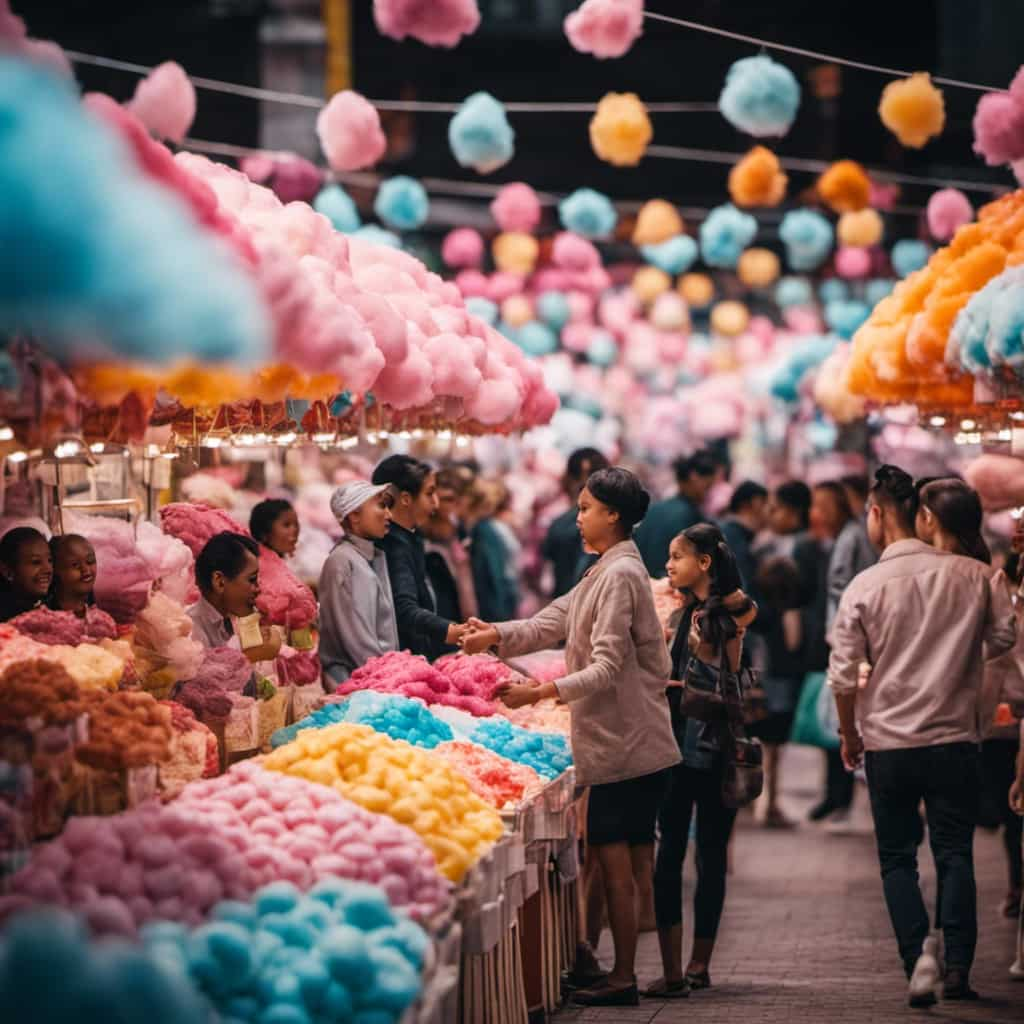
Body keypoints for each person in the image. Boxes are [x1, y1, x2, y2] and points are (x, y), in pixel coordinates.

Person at [461, 467, 681, 1007]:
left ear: (614, 515)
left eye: (586, 508)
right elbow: (549, 622)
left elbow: (606, 666)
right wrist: (495, 636)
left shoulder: (622, 575)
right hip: (620, 742)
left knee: (617, 867)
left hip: (627, 746)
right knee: (618, 866)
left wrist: (537, 694)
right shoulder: (603, 570)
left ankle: (623, 976)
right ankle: (612, 968)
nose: (577, 518)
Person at [829, 466, 1017, 1007]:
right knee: (955, 851)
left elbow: (843, 674)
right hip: (956, 738)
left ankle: (919, 960)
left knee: (896, 858)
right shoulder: (975, 575)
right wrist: (961, 662)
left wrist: (849, 734)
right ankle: (957, 966)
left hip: (888, 742)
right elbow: (1004, 637)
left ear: (880, 513)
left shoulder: (865, 585)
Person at [648, 524, 757, 998]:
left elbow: (725, 665)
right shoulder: (681, 615)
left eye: (677, 557)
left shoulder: (726, 613)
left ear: (705, 563)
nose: (668, 565)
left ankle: (694, 964)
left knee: (701, 857)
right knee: (673, 857)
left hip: (707, 750)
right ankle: (678, 967)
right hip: (675, 749)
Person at [916, 477, 1022, 919]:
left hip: (966, 721)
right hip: (985, 720)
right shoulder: (988, 579)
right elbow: (1000, 642)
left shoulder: (918, 577)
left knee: (949, 841)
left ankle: (941, 950)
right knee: (989, 822)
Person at [811, 480, 877, 825]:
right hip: (845, 635)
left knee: (845, 706)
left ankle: (844, 790)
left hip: (846, 636)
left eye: (821, 506)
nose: (815, 514)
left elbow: (843, 587)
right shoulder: (846, 537)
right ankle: (839, 792)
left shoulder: (850, 537)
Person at [372, 454, 465, 659]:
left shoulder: (409, 537)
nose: (436, 502)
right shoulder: (394, 545)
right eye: (429, 493)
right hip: (404, 658)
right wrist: (453, 632)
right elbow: (404, 609)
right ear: (405, 499)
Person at [318, 481, 399, 688]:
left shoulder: (371, 557)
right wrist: (387, 681)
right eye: (381, 506)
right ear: (354, 515)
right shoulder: (342, 562)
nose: (389, 515)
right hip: (355, 685)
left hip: (377, 680)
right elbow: (357, 640)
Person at [190, 531, 280, 668]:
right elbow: (203, 684)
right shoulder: (192, 630)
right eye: (252, 579)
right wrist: (249, 654)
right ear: (219, 582)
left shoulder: (229, 622)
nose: (258, 589)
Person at [634, 451, 717, 579]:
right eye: (707, 487)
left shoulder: (653, 509)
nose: (708, 494)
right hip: (669, 589)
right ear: (694, 478)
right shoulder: (690, 516)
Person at [541, 447, 609, 598]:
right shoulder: (623, 524)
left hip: (567, 611)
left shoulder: (559, 526)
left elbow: (547, 581)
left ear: (569, 479)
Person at [421, 468, 477, 625]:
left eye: (455, 499)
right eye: (447, 499)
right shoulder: (422, 536)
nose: (452, 505)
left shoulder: (459, 529)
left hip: (465, 605)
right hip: (440, 614)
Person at [464, 479, 518, 623]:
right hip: (498, 598)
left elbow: (493, 572)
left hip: (494, 602)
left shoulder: (483, 529)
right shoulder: (485, 528)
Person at [719, 481, 768, 593]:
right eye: (764, 505)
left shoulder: (730, 532)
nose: (767, 514)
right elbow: (743, 584)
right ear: (747, 506)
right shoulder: (733, 535)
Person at [0, 527, 52, 621]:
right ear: (8, 572)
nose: (48, 569)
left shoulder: (50, 605)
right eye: (36, 562)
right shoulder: (6, 621)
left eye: (49, 560)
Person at [47, 534, 97, 617]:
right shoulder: (46, 616)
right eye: (75, 565)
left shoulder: (89, 601)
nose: (86, 570)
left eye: (90, 561)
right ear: (55, 569)